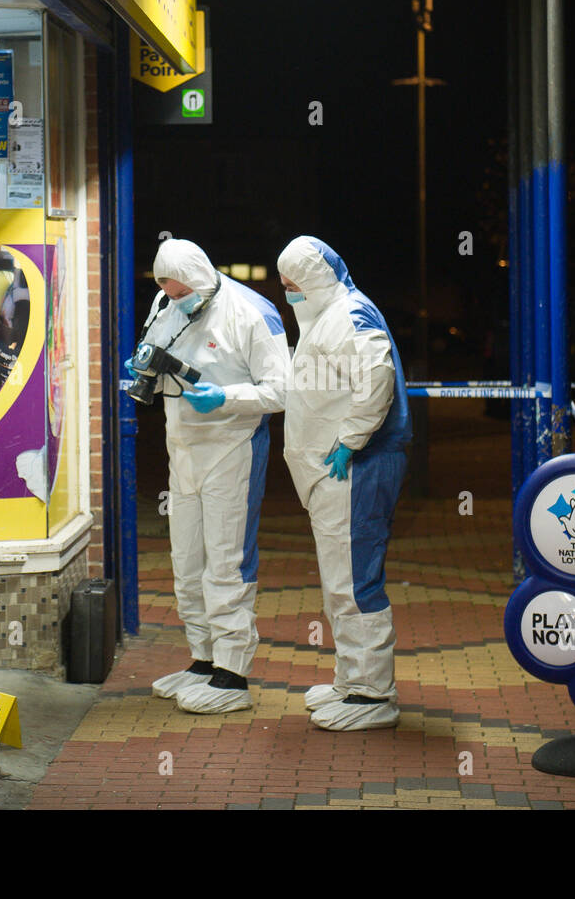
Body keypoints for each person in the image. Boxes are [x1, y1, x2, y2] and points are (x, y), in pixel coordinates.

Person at [132, 238, 290, 714]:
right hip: (183, 449)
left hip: (232, 450)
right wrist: (146, 374)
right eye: (169, 292)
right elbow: (159, 354)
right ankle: (202, 659)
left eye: (183, 292)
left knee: (226, 560)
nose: (177, 300)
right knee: (187, 561)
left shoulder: (251, 312)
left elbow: (282, 388)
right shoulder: (167, 302)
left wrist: (226, 397)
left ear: (201, 278)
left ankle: (232, 672)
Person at [276, 236, 411, 731]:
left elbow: (377, 377)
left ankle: (374, 694)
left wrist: (350, 441)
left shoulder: (349, 315)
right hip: (338, 471)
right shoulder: (327, 316)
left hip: (355, 468)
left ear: (315, 281)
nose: (288, 294)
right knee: (341, 582)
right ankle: (353, 682)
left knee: (355, 583)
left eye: (294, 286)